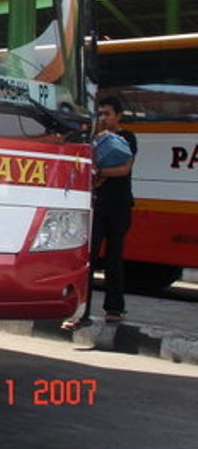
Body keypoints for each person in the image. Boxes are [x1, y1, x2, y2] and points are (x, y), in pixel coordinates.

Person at [64, 95, 137, 330]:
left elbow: (124, 169)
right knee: (89, 258)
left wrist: (99, 172)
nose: (104, 118)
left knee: (114, 258)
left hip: (119, 206)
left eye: (108, 114)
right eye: (101, 114)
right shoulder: (94, 139)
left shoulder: (126, 138)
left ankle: (114, 308)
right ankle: (81, 311)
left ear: (118, 116)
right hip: (98, 205)